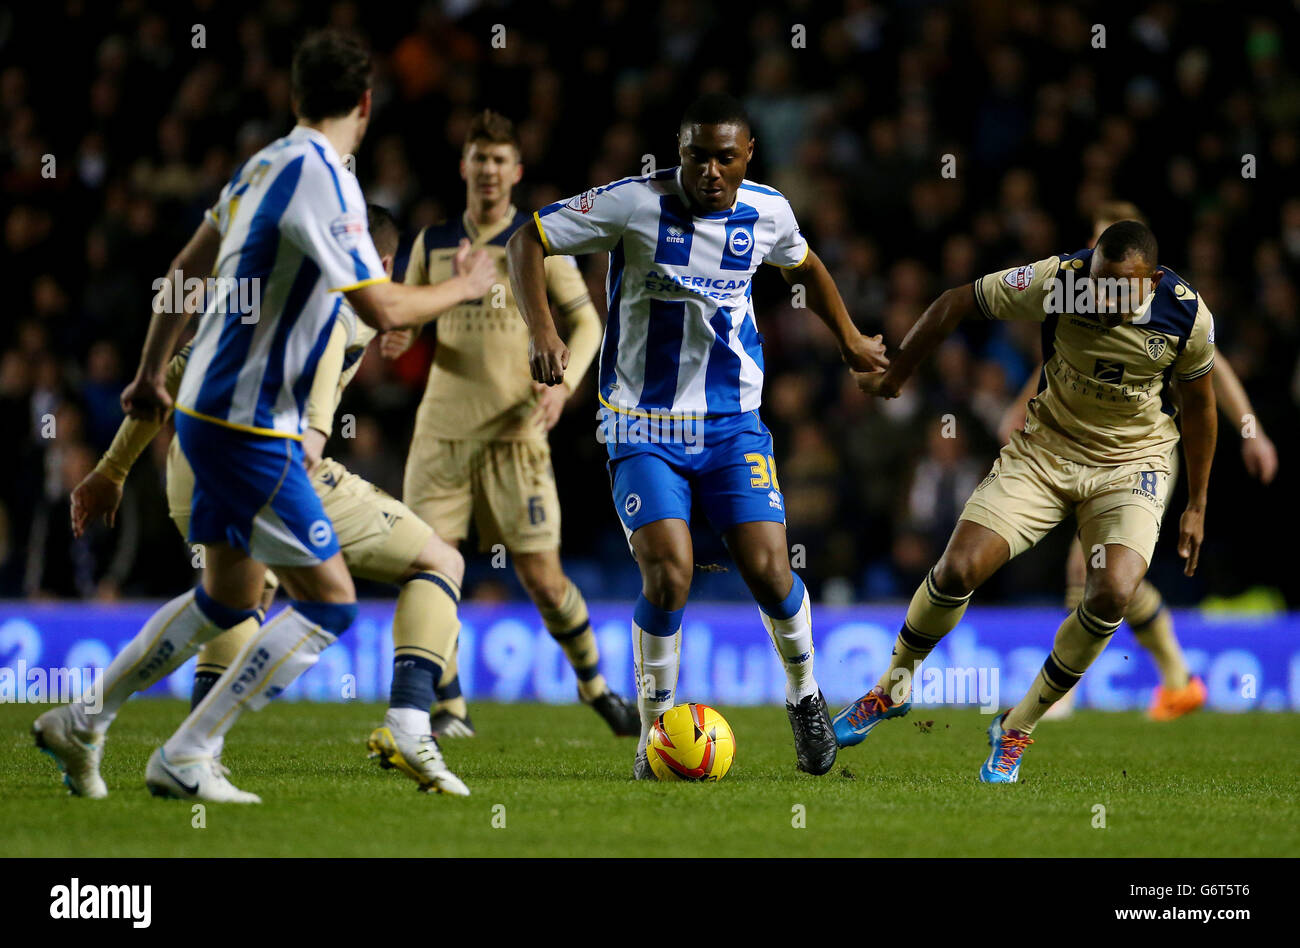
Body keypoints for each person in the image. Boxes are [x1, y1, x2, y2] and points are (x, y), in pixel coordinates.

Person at [33, 29, 492, 803]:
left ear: (292, 97)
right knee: (332, 603)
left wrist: (151, 374)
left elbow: (183, 270)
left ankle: (84, 717)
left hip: (206, 415)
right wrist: (463, 287)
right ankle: (189, 750)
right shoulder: (330, 184)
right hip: (254, 426)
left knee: (227, 599)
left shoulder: (263, 163)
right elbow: (379, 304)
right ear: (367, 105)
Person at [507, 93, 889, 778]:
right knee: (670, 570)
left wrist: (852, 337)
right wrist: (542, 327)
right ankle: (655, 730)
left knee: (772, 570)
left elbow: (804, 266)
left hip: (731, 424)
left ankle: (803, 696)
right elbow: (528, 237)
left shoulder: (769, 211)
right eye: (696, 156)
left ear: (747, 158)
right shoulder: (631, 203)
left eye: (724, 157)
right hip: (641, 425)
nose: (710, 170)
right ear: (679, 155)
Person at [833, 219, 1217, 783]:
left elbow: (1202, 408)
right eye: (1099, 282)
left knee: (1112, 591)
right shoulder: (1060, 280)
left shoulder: (1187, 316)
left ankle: (1018, 725)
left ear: (1153, 281)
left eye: (1123, 288)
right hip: (1045, 450)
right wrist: (899, 374)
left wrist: (1198, 503)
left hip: (1132, 465)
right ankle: (892, 687)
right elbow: (954, 302)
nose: (1106, 297)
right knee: (959, 566)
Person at [389, 110, 637, 738]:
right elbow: (405, 316)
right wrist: (396, 335)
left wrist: (565, 391)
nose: (490, 170)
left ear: (516, 171)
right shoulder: (432, 243)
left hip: (516, 438)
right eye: (480, 158)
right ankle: (448, 709)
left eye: (501, 160)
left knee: (546, 583)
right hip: (441, 435)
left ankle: (595, 686)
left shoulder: (537, 242)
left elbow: (589, 327)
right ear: (465, 167)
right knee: (430, 567)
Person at [997, 202, 1277, 722]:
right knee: (1111, 575)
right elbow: (1056, 360)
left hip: (1147, 448)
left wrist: (1251, 429)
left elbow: (1215, 379)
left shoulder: (1176, 309)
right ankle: (1178, 679)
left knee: (1091, 563)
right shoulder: (1083, 295)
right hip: (1089, 443)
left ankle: (1064, 694)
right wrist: (1019, 409)